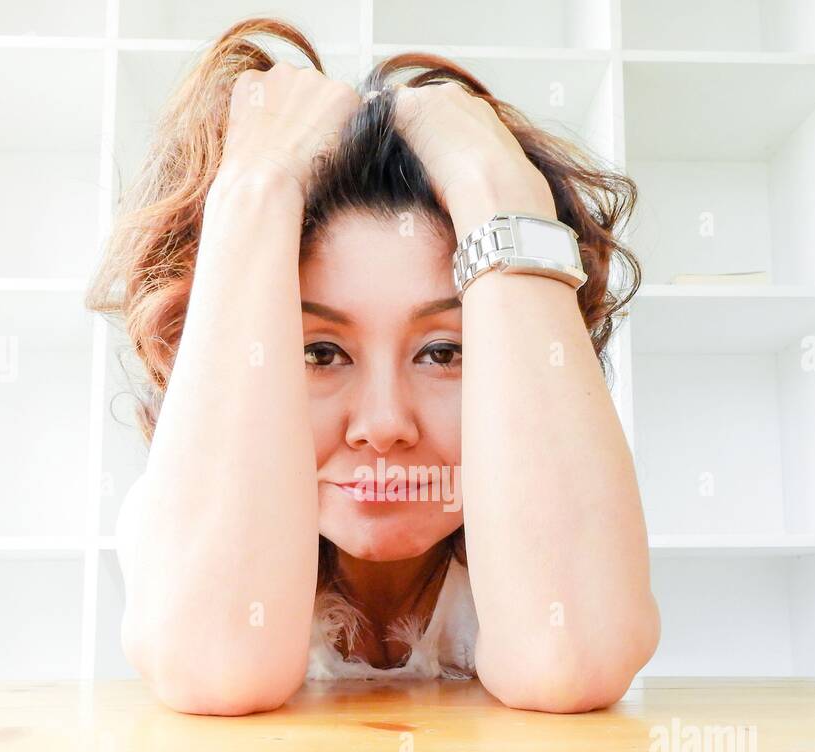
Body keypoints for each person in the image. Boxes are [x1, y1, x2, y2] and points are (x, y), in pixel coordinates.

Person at [87, 18, 659, 715]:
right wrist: (253, 194)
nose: (384, 426)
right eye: (319, 353)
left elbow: (573, 660)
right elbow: (215, 669)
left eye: (444, 352)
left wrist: (497, 192)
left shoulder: (567, 503)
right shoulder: (180, 510)